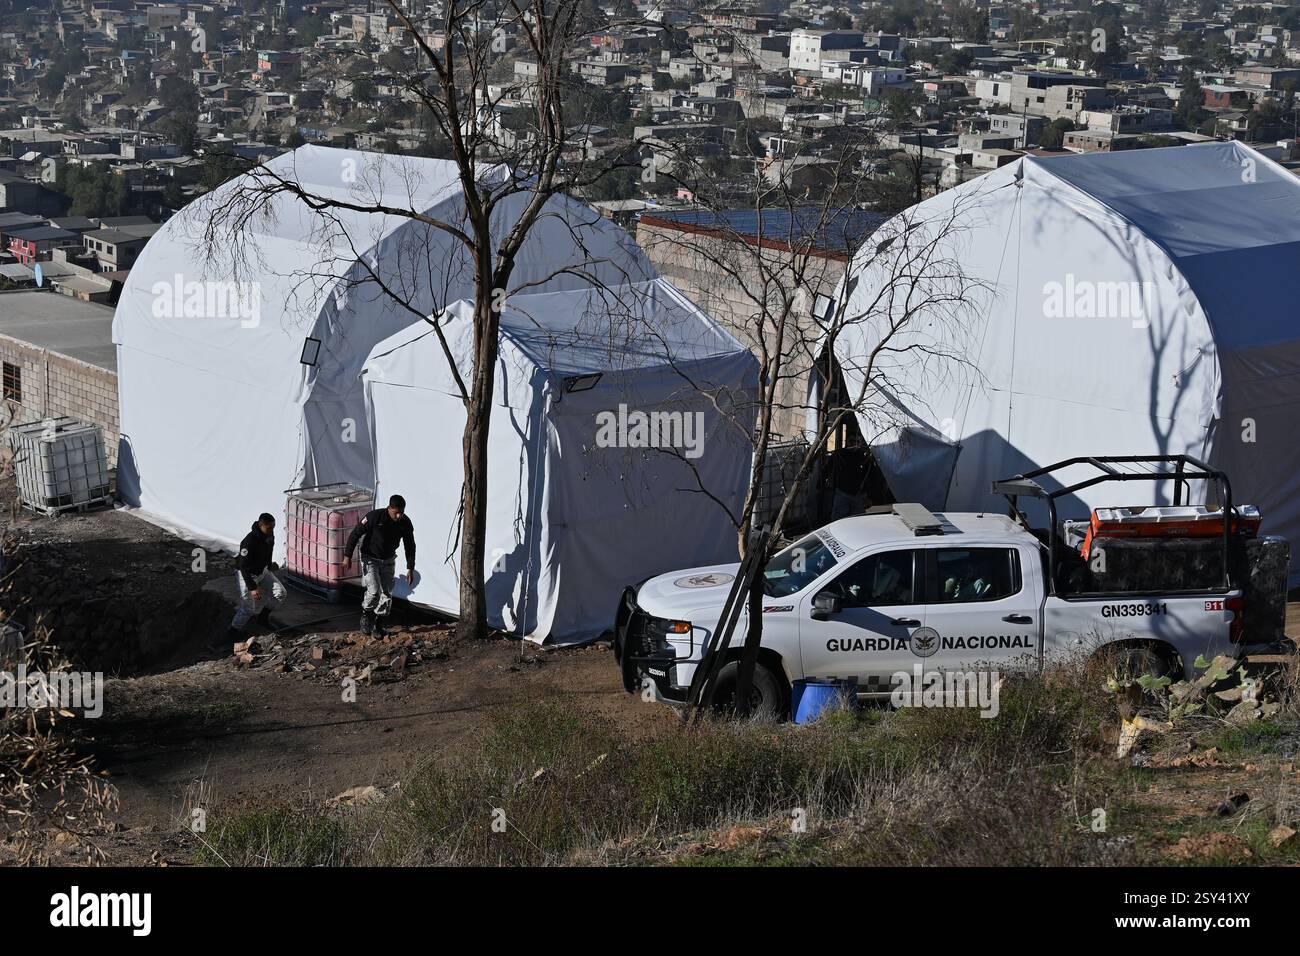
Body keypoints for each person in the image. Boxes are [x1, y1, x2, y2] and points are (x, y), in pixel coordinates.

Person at [343, 494, 416, 636]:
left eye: (402, 512)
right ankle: (366, 614)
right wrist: (347, 556)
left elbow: (410, 545)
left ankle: (379, 625)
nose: (399, 516)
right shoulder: (374, 517)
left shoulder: (405, 522)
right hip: (370, 558)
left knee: (387, 593)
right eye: (396, 513)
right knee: (374, 590)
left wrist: (410, 567)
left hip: (388, 559)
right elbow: (355, 534)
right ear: (390, 508)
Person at [231, 513, 286, 635]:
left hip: (262, 571)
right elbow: (243, 566)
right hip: (247, 575)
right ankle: (233, 631)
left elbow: (269, 550)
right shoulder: (248, 542)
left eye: (273, 527)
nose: (272, 530)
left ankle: (262, 618)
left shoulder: (269, 534)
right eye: (269, 528)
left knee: (280, 593)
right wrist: (252, 588)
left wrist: (269, 565)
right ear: (261, 525)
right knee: (249, 608)